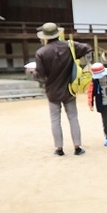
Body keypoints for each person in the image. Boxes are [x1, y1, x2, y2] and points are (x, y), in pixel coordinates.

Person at [33, 22, 91, 155]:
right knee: (73, 117)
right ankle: (77, 147)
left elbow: (40, 75)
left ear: (45, 37)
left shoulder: (41, 52)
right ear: (58, 33)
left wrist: (33, 72)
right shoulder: (69, 46)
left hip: (52, 91)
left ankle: (59, 149)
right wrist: (86, 64)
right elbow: (87, 48)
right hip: (70, 88)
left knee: (55, 119)